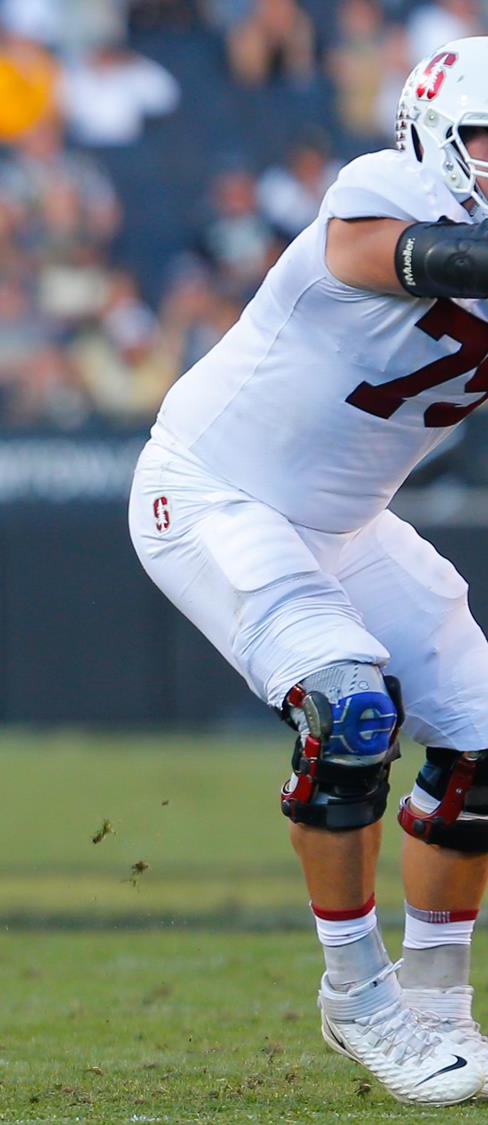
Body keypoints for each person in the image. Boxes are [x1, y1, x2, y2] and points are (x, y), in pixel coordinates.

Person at [130, 40, 488, 1105]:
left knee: (482, 740)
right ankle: (357, 994)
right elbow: (401, 255)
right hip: (213, 494)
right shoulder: (385, 190)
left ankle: (437, 1001)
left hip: (345, 524)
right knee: (350, 710)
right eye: (486, 138)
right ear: (435, 137)